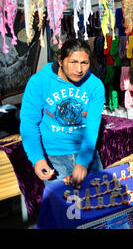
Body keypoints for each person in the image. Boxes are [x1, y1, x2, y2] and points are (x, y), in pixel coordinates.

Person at [20, 38, 106, 188]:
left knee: (99, 203)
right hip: (54, 157)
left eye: (84, 63)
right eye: (73, 62)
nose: (79, 69)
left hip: (86, 153)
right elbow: (29, 123)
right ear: (60, 60)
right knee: (63, 207)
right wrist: (37, 158)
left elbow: (92, 127)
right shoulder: (39, 82)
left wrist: (83, 161)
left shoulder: (95, 85)